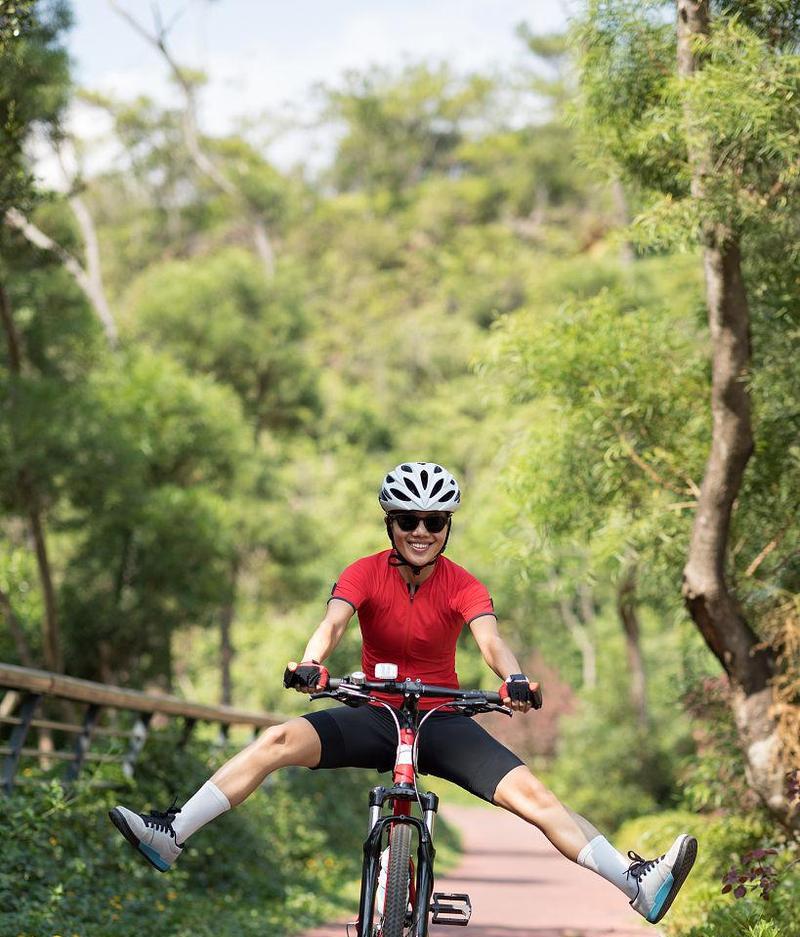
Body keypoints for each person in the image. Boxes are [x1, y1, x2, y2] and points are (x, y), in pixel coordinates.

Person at [109, 461, 697, 925]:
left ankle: (636, 884)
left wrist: (512, 680)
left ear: (447, 528)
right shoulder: (364, 572)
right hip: (372, 711)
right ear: (390, 523)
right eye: (408, 519)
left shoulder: (463, 583)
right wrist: (312, 663)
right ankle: (173, 833)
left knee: (537, 798)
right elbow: (334, 622)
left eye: (434, 521)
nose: (421, 531)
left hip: (442, 717)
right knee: (276, 740)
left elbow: (490, 641)